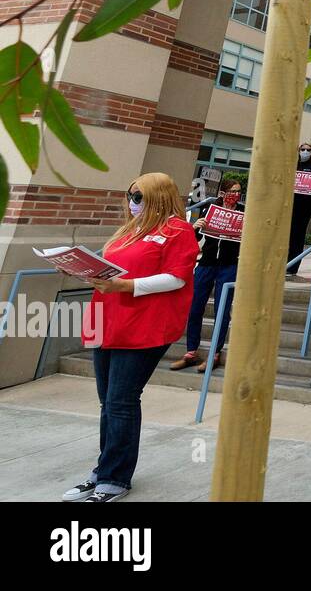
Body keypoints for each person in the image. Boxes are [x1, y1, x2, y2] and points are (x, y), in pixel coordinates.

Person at [62, 173, 200, 502]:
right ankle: (104, 469)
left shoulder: (176, 229)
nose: (132, 203)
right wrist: (77, 267)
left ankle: (115, 478)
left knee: (121, 402)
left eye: (139, 197)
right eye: (130, 195)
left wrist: (125, 286)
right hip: (108, 320)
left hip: (143, 325)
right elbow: (108, 267)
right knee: (108, 402)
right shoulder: (130, 231)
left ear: (159, 196)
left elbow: (177, 278)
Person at [171, 177, 243, 372]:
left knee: (222, 309)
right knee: (195, 307)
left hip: (228, 265)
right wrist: (195, 227)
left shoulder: (244, 212)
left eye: (238, 192)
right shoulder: (210, 207)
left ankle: (215, 353)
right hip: (206, 264)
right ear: (222, 192)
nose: (235, 195)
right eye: (232, 191)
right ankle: (191, 351)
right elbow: (195, 238)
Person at [286, 142, 311, 281]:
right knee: (286, 236)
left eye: (308, 150)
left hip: (305, 208)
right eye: (303, 149)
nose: (305, 152)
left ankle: (292, 267)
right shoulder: (292, 166)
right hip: (289, 206)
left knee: (297, 237)